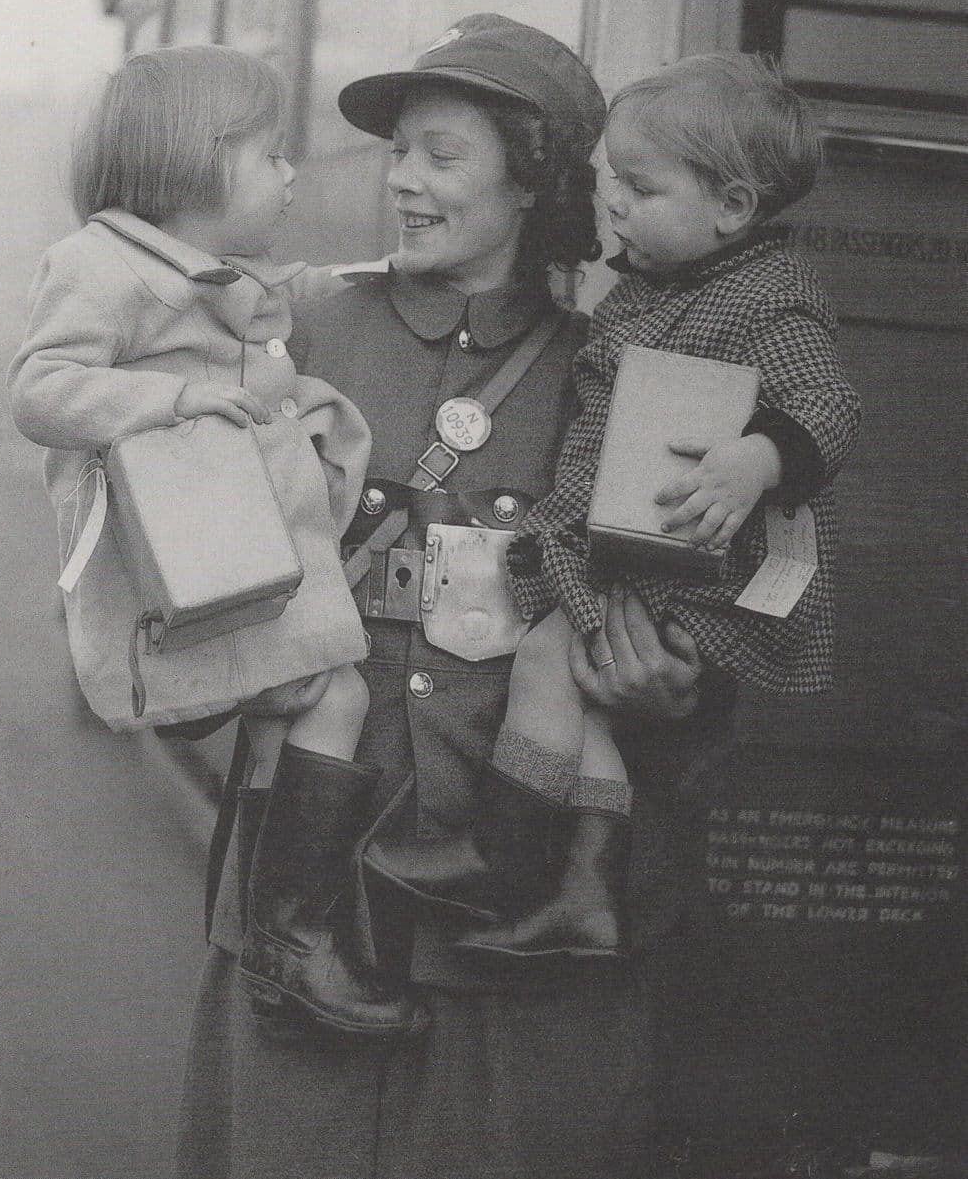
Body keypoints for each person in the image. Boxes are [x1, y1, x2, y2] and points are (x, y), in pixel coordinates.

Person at [178, 15, 709, 1179]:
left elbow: (707, 620)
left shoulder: (619, 366)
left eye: (441, 153)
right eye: (399, 153)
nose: (403, 181)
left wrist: (675, 691)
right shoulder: (304, 327)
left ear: (532, 179)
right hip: (309, 889)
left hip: (510, 914)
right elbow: (175, 564)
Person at [368, 50, 862, 960]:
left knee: (555, 660)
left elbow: (825, 403)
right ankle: (584, 890)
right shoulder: (652, 289)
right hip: (633, 554)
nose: (617, 207)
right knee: (575, 690)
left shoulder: (762, 295)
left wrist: (757, 458)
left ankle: (501, 853)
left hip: (678, 560)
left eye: (441, 157)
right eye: (613, 187)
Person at [7, 43, 426, 1037]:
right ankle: (294, 932)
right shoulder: (97, 265)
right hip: (187, 557)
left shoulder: (216, 271)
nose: (291, 174)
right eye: (270, 153)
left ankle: (279, 932)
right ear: (193, 158)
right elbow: (40, 389)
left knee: (311, 699)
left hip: (239, 550)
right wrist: (179, 395)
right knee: (338, 688)